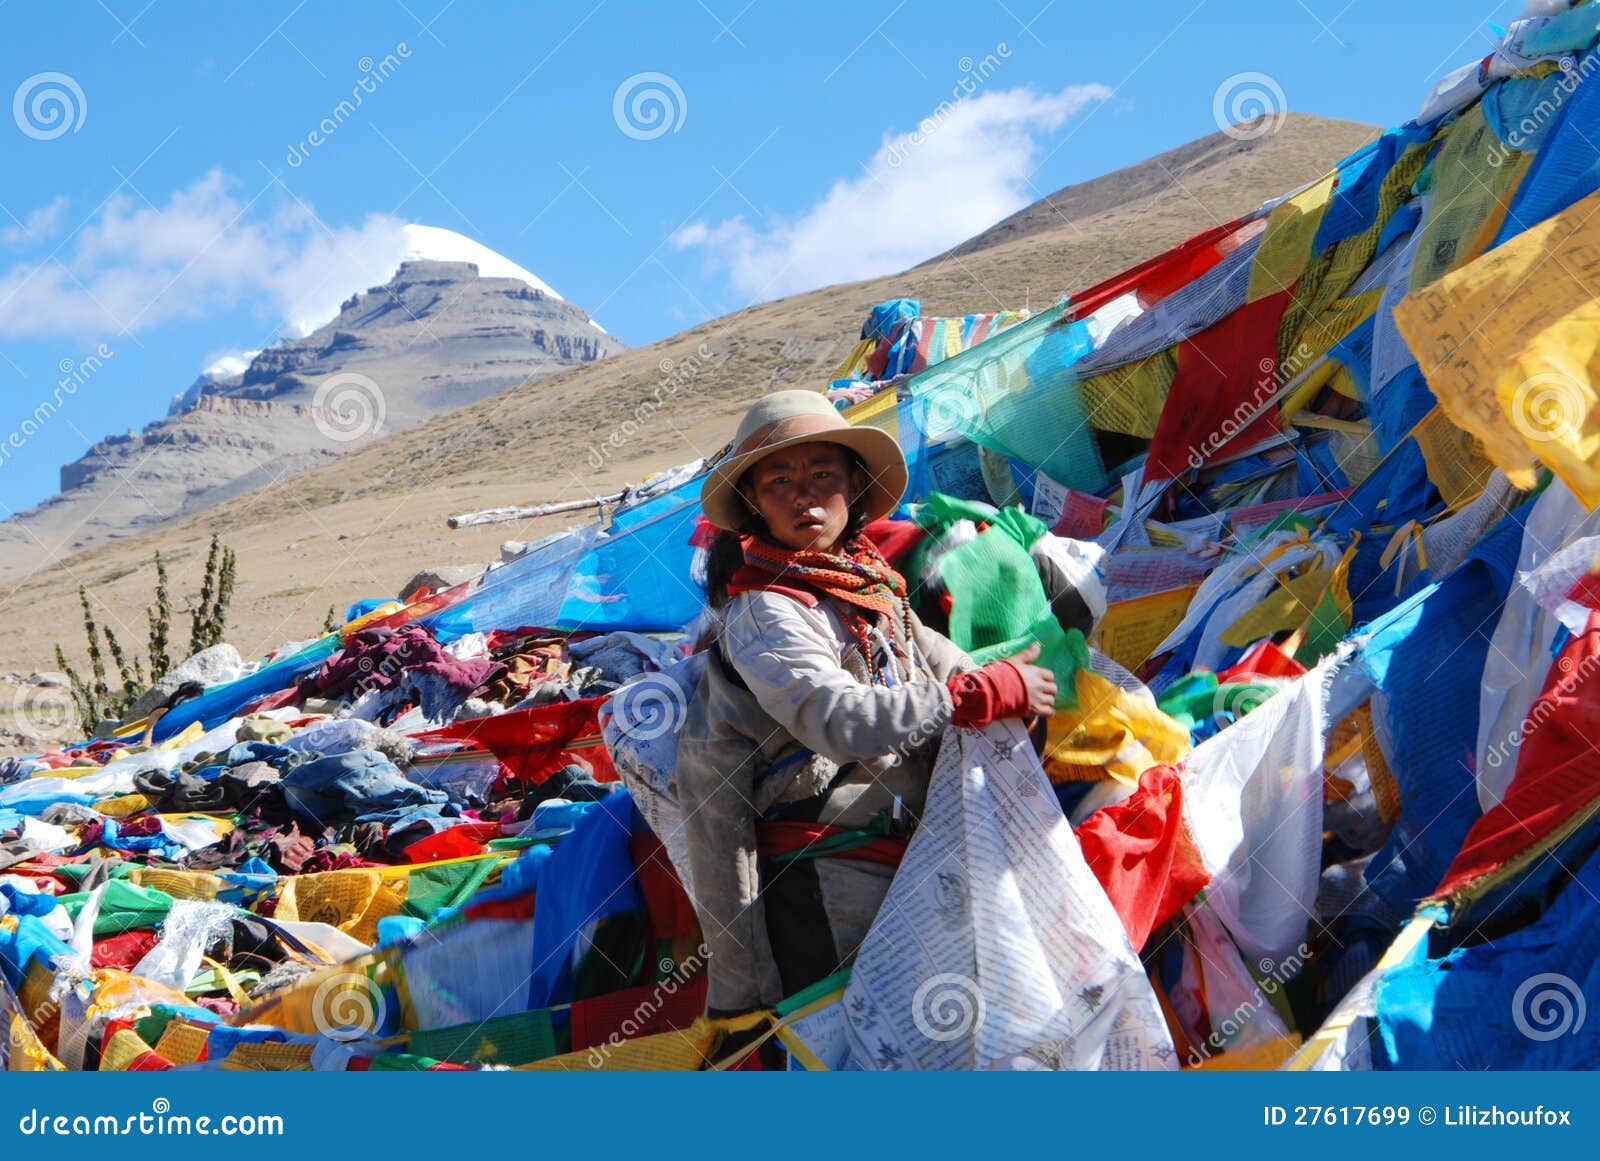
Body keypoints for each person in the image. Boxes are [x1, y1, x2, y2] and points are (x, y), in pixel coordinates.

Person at [678, 389, 1056, 1021]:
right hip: (825, 884)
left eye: (822, 474)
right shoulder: (766, 611)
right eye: (779, 481)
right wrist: (967, 698)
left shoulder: (872, 590)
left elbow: (939, 663)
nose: (804, 495)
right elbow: (837, 718)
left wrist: (1012, 687)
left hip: (907, 858)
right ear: (751, 503)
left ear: (853, 485)